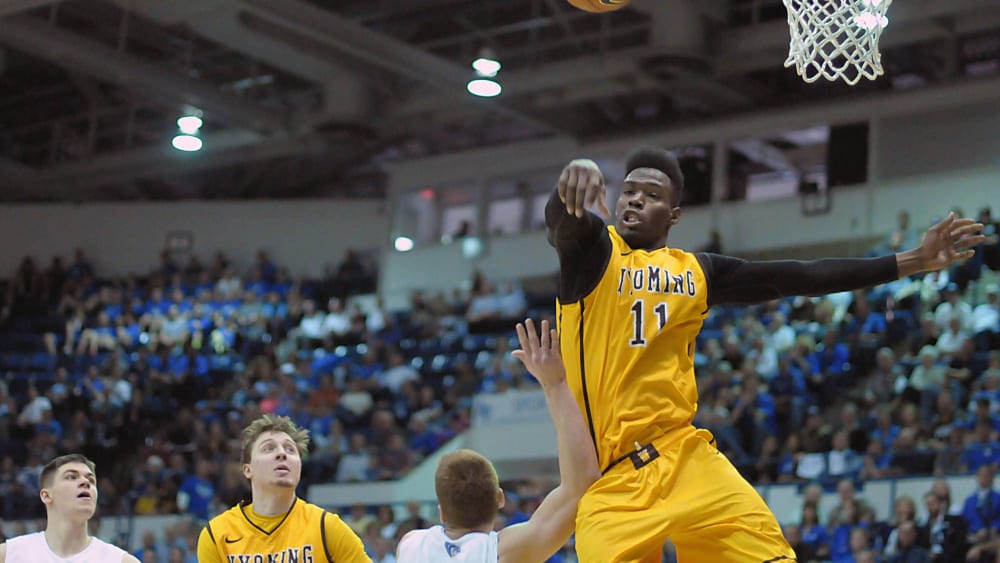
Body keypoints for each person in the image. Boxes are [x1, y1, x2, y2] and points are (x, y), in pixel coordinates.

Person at [547, 146, 985, 562]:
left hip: (685, 458)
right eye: (628, 191)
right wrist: (573, 178)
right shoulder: (595, 254)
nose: (636, 200)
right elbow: (563, 224)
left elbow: (802, 276)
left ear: (674, 214)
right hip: (615, 478)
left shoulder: (697, 271)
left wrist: (914, 260)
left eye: (652, 195)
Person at [396, 318, 601, 562]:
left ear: (441, 512)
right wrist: (555, 384)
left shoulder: (409, 545)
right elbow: (581, 483)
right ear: (500, 499)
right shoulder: (504, 552)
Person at [196, 414, 369, 563]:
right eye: (268, 448)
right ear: (248, 470)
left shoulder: (326, 527)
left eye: (290, 449)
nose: (282, 453)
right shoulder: (217, 534)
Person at [0, 453, 139, 563]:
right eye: (72, 477)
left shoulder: (121, 561)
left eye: (91, 480)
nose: (85, 482)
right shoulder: (8, 555)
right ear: (46, 495)